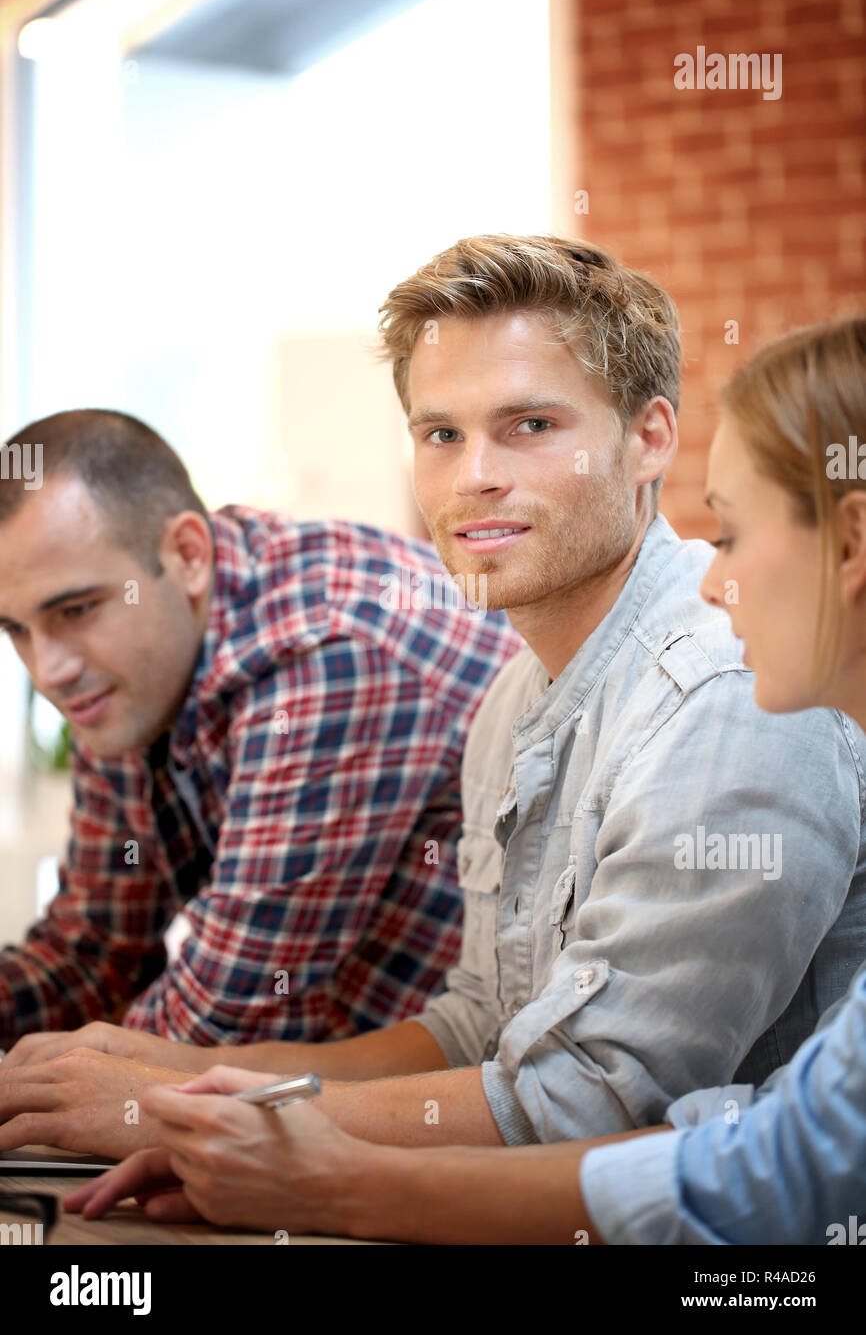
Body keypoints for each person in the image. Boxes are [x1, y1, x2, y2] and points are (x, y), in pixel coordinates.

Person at [3, 241, 866, 1163]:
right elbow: (481, 1026)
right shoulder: (512, 700)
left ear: (649, 440)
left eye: (530, 425)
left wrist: (176, 1102)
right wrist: (177, 1081)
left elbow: (593, 1101)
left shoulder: (725, 692)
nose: (473, 478)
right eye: (441, 434)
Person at [0, 410, 519, 1058]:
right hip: (346, 1095)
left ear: (188, 555)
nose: (50, 670)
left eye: (76, 610)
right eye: (15, 629)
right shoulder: (129, 673)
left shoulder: (328, 651)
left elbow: (225, 1023)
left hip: (504, 1111)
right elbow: (94, 949)